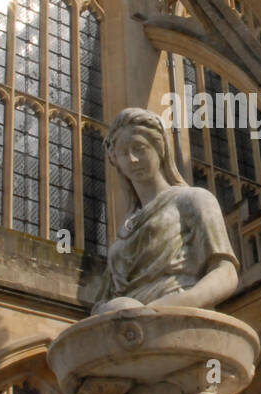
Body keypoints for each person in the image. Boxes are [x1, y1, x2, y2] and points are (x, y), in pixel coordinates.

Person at [92, 107, 239, 314]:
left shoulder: (193, 200)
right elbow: (105, 299)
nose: (132, 159)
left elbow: (226, 273)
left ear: (159, 149)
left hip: (174, 318)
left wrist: (160, 309)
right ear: (116, 161)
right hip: (127, 327)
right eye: (124, 153)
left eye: (140, 148)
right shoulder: (127, 226)